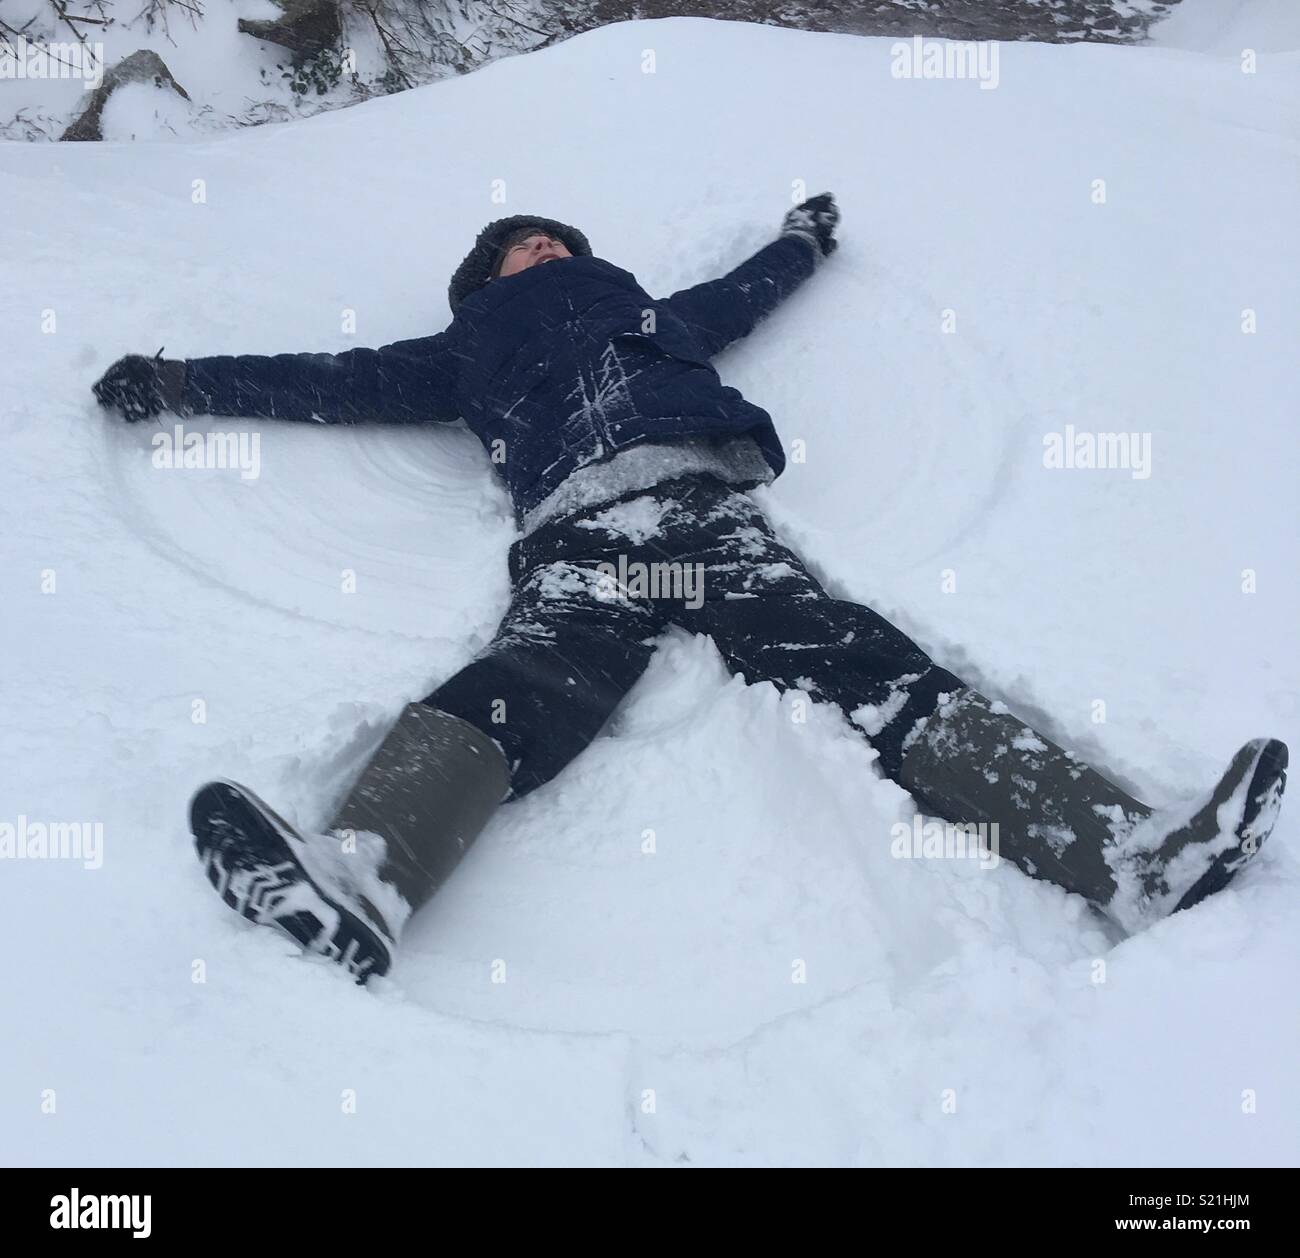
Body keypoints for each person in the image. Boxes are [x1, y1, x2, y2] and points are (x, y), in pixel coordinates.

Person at [93, 197, 1287, 981]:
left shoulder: (649, 313)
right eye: (521, 246)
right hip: (577, 535)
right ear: (484, 278)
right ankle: (366, 874)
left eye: (556, 240)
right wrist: (181, 379)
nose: (544, 250)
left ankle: (1128, 857)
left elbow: (745, 291)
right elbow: (338, 378)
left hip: (701, 512)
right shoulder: (466, 348)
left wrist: (803, 241)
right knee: (527, 678)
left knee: (854, 658)